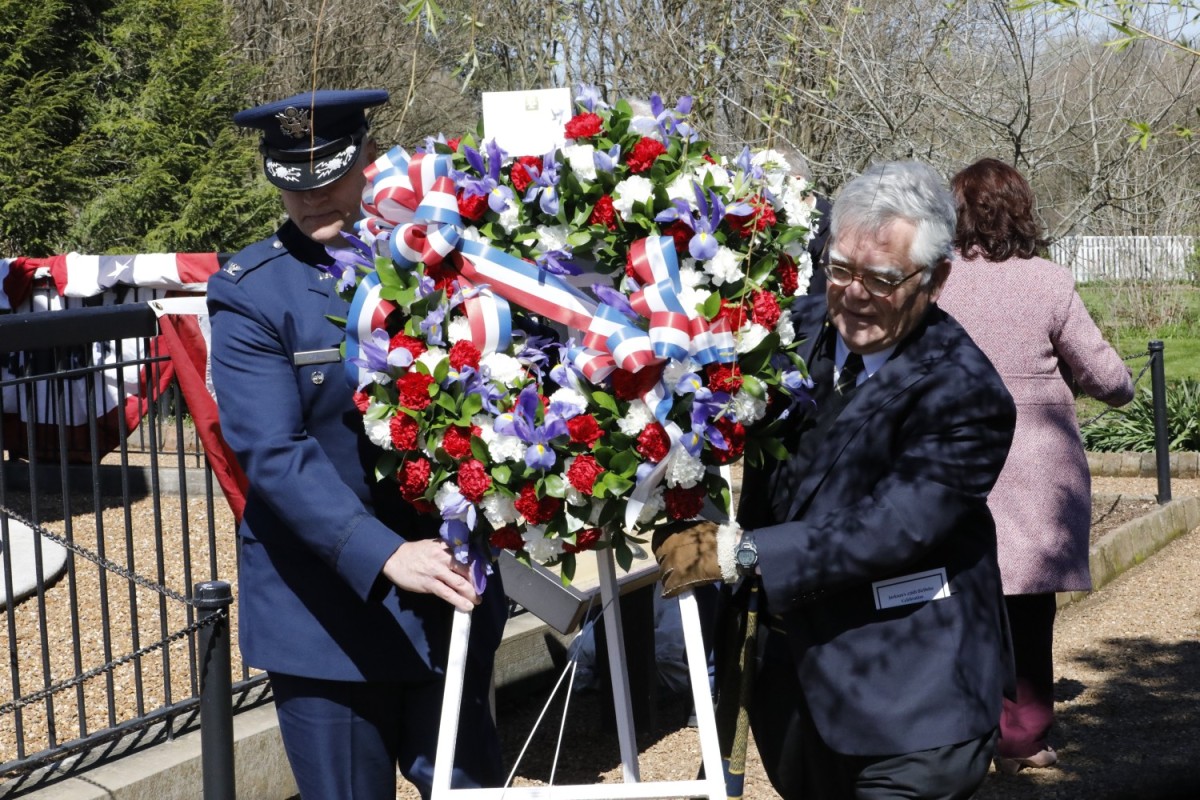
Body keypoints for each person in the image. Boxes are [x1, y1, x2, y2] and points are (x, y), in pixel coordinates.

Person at [653, 160, 1017, 799]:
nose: (853, 293)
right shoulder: (789, 333)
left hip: (914, 696)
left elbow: (895, 524)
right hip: (795, 689)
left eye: (881, 278)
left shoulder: (966, 393)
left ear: (935, 280)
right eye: (840, 268)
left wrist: (740, 553)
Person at [207, 89, 507, 799]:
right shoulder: (252, 293)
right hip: (327, 619)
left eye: (328, 177)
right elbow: (273, 453)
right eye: (290, 181)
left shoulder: (442, 261)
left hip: (447, 596)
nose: (308, 198)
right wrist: (385, 555)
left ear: (367, 161)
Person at [938, 157, 1134, 775]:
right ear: (1021, 209)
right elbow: (1108, 377)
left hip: (955, 456)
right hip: (1036, 465)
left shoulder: (935, 282)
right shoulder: (1049, 282)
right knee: (1027, 606)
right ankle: (1022, 741)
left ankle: (960, 736)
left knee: (958, 598)